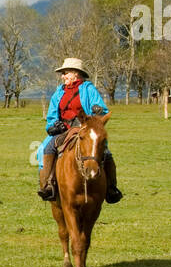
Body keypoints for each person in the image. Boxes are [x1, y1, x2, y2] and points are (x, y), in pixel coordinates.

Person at [37, 57, 121, 203]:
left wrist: (97, 110)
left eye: (66, 73)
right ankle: (48, 185)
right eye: (63, 73)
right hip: (64, 130)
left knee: (106, 152)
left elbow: (101, 111)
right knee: (46, 148)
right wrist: (53, 125)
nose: (63, 76)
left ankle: (111, 188)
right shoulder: (59, 92)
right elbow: (51, 115)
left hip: (85, 128)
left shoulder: (89, 89)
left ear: (76, 73)